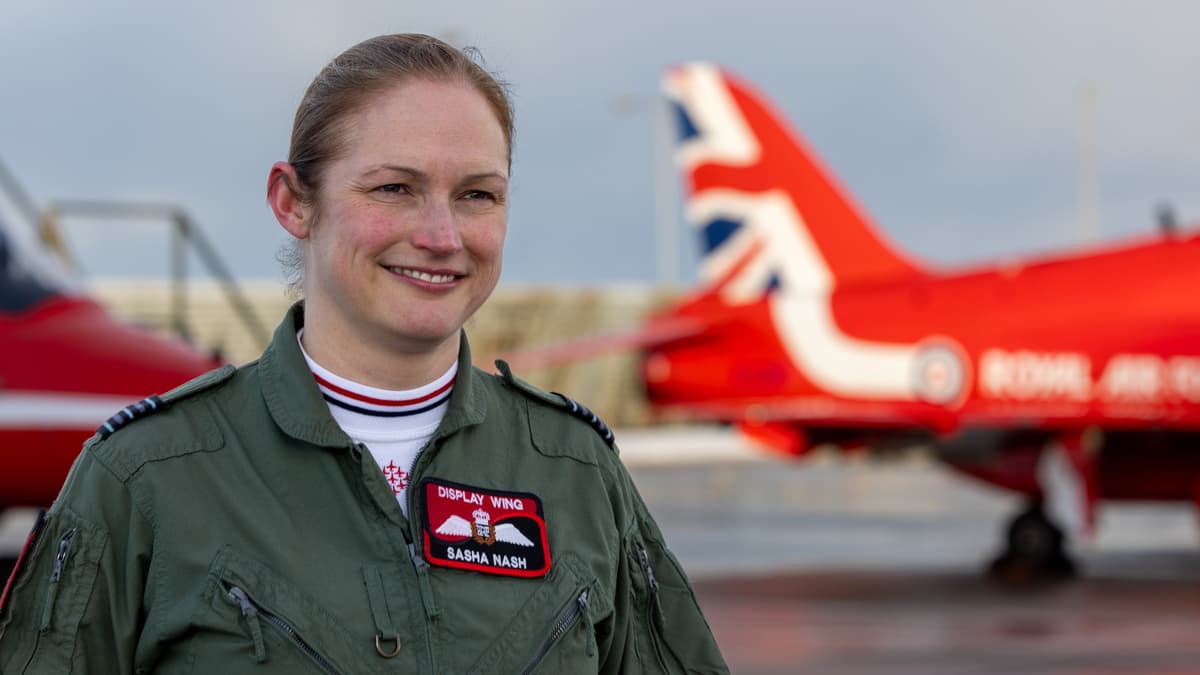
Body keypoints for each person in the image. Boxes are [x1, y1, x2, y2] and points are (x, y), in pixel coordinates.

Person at [0, 33, 728, 674]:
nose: (443, 234)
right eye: (395, 188)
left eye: (477, 195)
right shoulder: (144, 477)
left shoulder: (576, 473)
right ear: (292, 201)